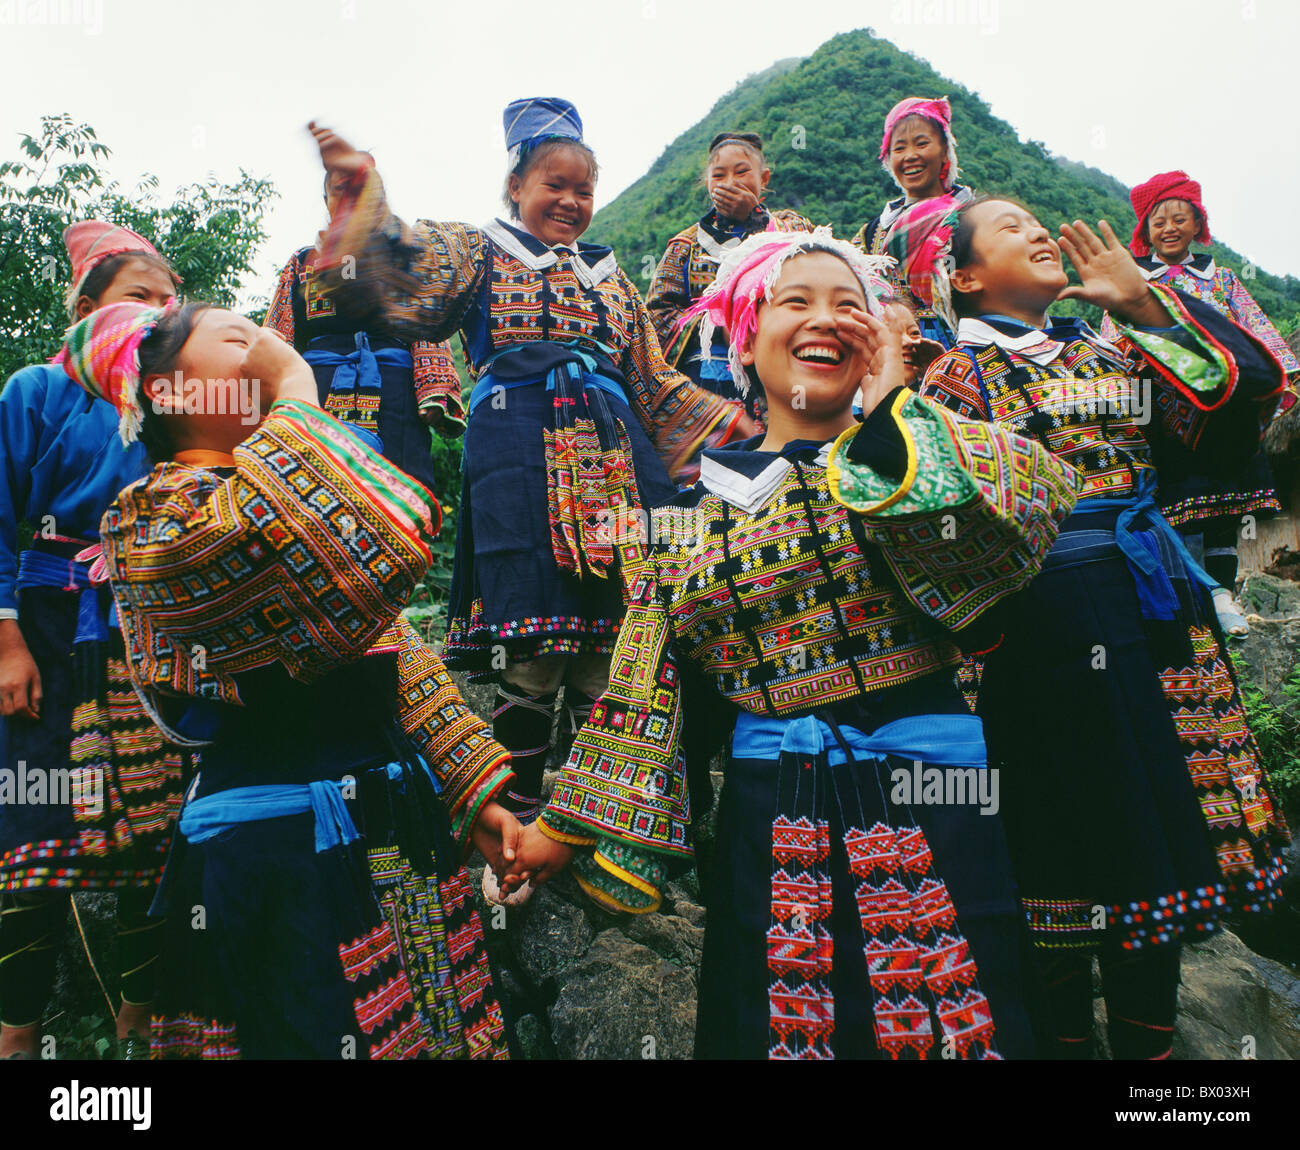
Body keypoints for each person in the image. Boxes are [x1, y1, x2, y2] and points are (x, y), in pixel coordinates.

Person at [506, 228, 1080, 1059]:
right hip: (773, 808)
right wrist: (558, 830)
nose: (827, 319)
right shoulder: (681, 516)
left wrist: (889, 414)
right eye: (795, 300)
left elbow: (1021, 524)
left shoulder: (921, 449)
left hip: (940, 796)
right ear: (743, 334)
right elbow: (643, 691)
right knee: (778, 1023)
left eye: (852, 304)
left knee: (965, 1017)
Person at [306, 104, 754, 906]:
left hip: (619, 459)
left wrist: (737, 430)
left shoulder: (613, 276)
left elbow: (656, 385)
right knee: (533, 649)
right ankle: (513, 834)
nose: (573, 201)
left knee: (611, 650)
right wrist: (364, 192)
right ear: (515, 185)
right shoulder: (479, 252)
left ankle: (593, 836)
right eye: (556, 184)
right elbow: (407, 264)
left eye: (585, 188)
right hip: (517, 453)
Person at [56, 300, 522, 1058]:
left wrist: (481, 801)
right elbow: (381, 535)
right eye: (238, 339)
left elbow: (404, 665)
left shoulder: (289, 484)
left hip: (394, 825)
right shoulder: (146, 523)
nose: (265, 346)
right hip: (274, 852)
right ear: (170, 393)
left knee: (434, 1032)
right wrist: (299, 387)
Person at [917, 197, 1290, 1059]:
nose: (1040, 232)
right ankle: (1064, 1044)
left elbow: (1248, 394)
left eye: (1039, 222)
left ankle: (1152, 1070)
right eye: (1011, 228)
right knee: (1050, 843)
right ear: (966, 278)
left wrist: (1143, 305)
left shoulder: (1110, 349)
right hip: (1031, 628)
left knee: (1151, 840)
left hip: (1149, 613)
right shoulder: (950, 377)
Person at [0, 223, 184, 1060]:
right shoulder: (34, 392)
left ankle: (138, 1030)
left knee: (158, 833)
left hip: (144, 636)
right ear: (84, 309)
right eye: (138, 297)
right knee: (29, 833)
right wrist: (7, 642)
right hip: (43, 635)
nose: (160, 312)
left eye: (170, 299)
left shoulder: (172, 406)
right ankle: (17, 1038)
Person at [1099, 171, 1300, 635]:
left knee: (1225, 512)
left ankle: (1223, 596)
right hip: (1164, 416)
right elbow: (1114, 342)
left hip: (1223, 414)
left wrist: (1261, 390)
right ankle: (1197, 600)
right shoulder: (1133, 282)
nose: (1168, 228)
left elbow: (1259, 337)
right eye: (1157, 222)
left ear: (1197, 223)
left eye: (1178, 218)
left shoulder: (1223, 279)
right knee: (1177, 508)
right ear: (1144, 232)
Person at [265, 163, 465, 493]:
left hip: (394, 388)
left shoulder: (406, 257)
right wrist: (275, 391)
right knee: (313, 485)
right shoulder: (303, 261)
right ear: (326, 200)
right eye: (340, 190)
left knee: (401, 482)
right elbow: (279, 332)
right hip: (316, 388)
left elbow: (426, 324)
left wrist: (434, 390)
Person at [646, 131, 813, 426]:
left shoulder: (790, 226)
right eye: (719, 175)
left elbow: (813, 269)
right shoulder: (684, 247)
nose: (730, 183)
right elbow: (657, 316)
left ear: (765, 178)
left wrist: (754, 216)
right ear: (707, 183)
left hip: (784, 372)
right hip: (708, 388)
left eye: (742, 172)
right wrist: (714, 325)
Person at [851, 97, 975, 347]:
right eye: (899, 149)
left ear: (945, 151)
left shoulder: (974, 219)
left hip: (965, 350)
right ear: (888, 159)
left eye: (922, 144)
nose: (910, 156)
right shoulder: (872, 233)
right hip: (890, 351)